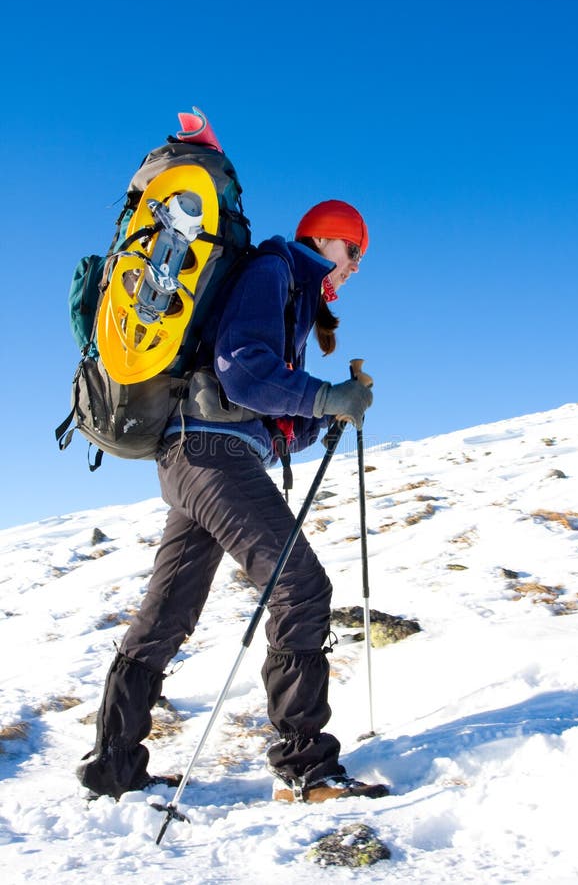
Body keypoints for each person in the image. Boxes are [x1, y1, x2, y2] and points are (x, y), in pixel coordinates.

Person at [77, 199, 389, 804]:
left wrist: (326, 412)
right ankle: (306, 767)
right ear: (330, 241)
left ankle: (113, 766)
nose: (354, 269)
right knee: (300, 584)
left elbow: (262, 405)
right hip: (211, 455)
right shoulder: (274, 269)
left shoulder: (291, 291)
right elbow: (243, 370)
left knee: (166, 615)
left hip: (200, 455)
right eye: (354, 254)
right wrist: (327, 396)